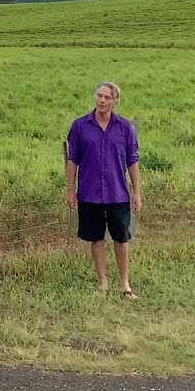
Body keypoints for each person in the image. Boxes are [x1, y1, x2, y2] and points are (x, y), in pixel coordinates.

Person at [65, 82, 142, 300]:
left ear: (115, 102)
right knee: (96, 238)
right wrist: (71, 189)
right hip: (89, 193)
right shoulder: (80, 126)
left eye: (107, 98)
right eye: (99, 96)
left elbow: (132, 160)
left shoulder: (125, 127)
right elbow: (73, 160)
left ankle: (124, 282)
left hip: (117, 193)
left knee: (121, 237)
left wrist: (136, 192)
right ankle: (103, 282)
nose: (102, 100)